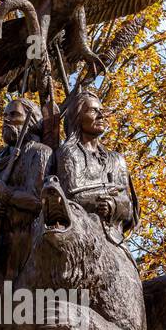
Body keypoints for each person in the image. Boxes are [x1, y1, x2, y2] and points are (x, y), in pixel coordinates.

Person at [0, 96, 53, 277]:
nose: (6, 119)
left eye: (14, 114)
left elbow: (39, 202)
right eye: (4, 115)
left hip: (28, 244)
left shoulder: (39, 153)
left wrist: (7, 195)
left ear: (31, 121)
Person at [53, 87, 139, 245]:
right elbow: (70, 196)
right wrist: (108, 191)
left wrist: (112, 205)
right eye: (93, 111)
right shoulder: (69, 152)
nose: (101, 116)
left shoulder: (117, 160)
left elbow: (129, 205)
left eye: (101, 111)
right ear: (78, 117)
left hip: (114, 237)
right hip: (80, 235)